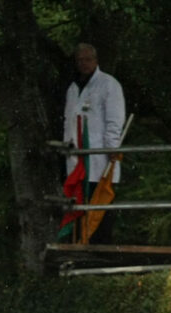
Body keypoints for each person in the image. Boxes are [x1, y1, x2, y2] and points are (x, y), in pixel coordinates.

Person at [62, 43, 126, 244]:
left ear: (96, 60)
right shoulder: (73, 88)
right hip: (76, 158)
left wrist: (111, 148)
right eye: (80, 60)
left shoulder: (108, 84)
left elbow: (114, 120)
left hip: (100, 158)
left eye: (87, 59)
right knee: (79, 205)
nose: (84, 64)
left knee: (100, 207)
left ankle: (100, 248)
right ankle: (80, 245)